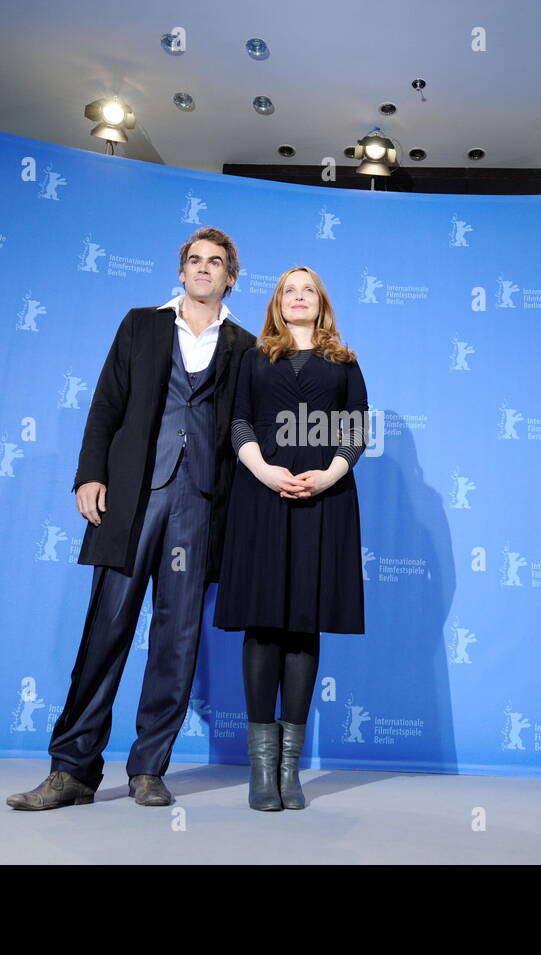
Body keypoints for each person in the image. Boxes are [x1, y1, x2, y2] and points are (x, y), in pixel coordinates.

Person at [7, 227, 256, 810]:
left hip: (199, 505)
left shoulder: (245, 345)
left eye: (214, 263)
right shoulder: (140, 324)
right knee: (106, 630)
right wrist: (90, 475)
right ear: (181, 271)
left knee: (177, 639)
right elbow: (106, 404)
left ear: (230, 277)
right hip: (132, 499)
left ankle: (149, 768)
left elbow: (248, 428)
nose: (202, 269)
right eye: (193, 261)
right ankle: (71, 770)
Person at [214, 265, 368, 811]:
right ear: (277, 304)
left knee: (303, 627)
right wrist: (264, 472)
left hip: (323, 503)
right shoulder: (255, 359)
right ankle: (261, 771)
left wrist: (327, 475)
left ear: (321, 304)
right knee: (263, 626)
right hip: (262, 498)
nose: (298, 297)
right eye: (289, 291)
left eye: (309, 290)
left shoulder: (345, 364)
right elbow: (239, 424)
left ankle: (289, 770)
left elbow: (354, 431)